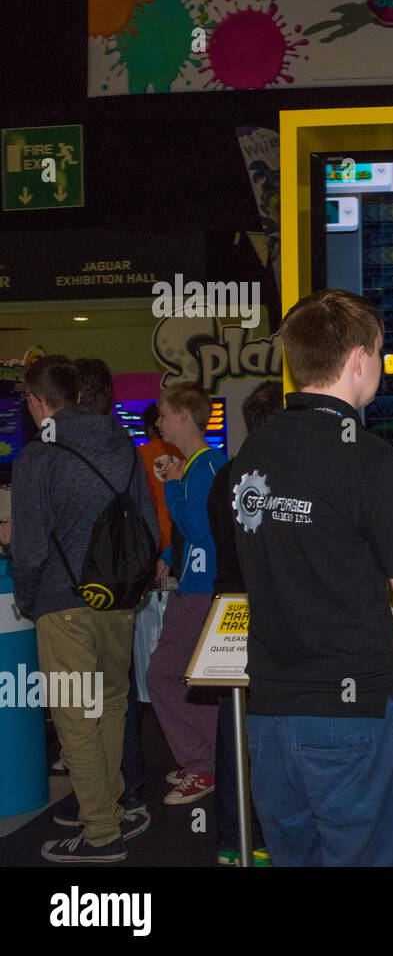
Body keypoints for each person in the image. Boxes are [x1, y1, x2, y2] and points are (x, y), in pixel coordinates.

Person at [233, 288, 393, 866]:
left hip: (271, 718)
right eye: (378, 352)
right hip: (357, 717)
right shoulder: (370, 460)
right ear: (356, 360)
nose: (380, 364)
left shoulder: (250, 454)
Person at [11, 356, 157, 862]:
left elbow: (28, 549)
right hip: (118, 604)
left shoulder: (37, 458)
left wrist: (30, 599)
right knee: (111, 707)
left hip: (63, 607)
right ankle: (109, 810)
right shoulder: (123, 445)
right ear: (76, 395)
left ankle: (100, 834)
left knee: (75, 719)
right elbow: (151, 532)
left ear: (37, 400)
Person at [206, 381, 281, 866]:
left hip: (230, 616)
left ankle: (234, 836)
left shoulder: (226, 477)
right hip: (276, 618)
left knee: (233, 726)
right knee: (273, 727)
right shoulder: (288, 480)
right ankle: (271, 837)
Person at [146, 382, 225, 805]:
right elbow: (197, 536)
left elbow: (197, 528)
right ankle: (212, 760)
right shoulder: (201, 466)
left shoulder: (205, 467)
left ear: (182, 416)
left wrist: (172, 486)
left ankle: (205, 764)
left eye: (162, 413)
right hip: (194, 588)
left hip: (201, 592)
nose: (158, 422)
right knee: (189, 681)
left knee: (164, 676)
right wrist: (167, 553)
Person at [138, 403, 183, 562]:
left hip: (154, 542)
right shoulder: (183, 452)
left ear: (149, 429)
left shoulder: (139, 456)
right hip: (185, 536)